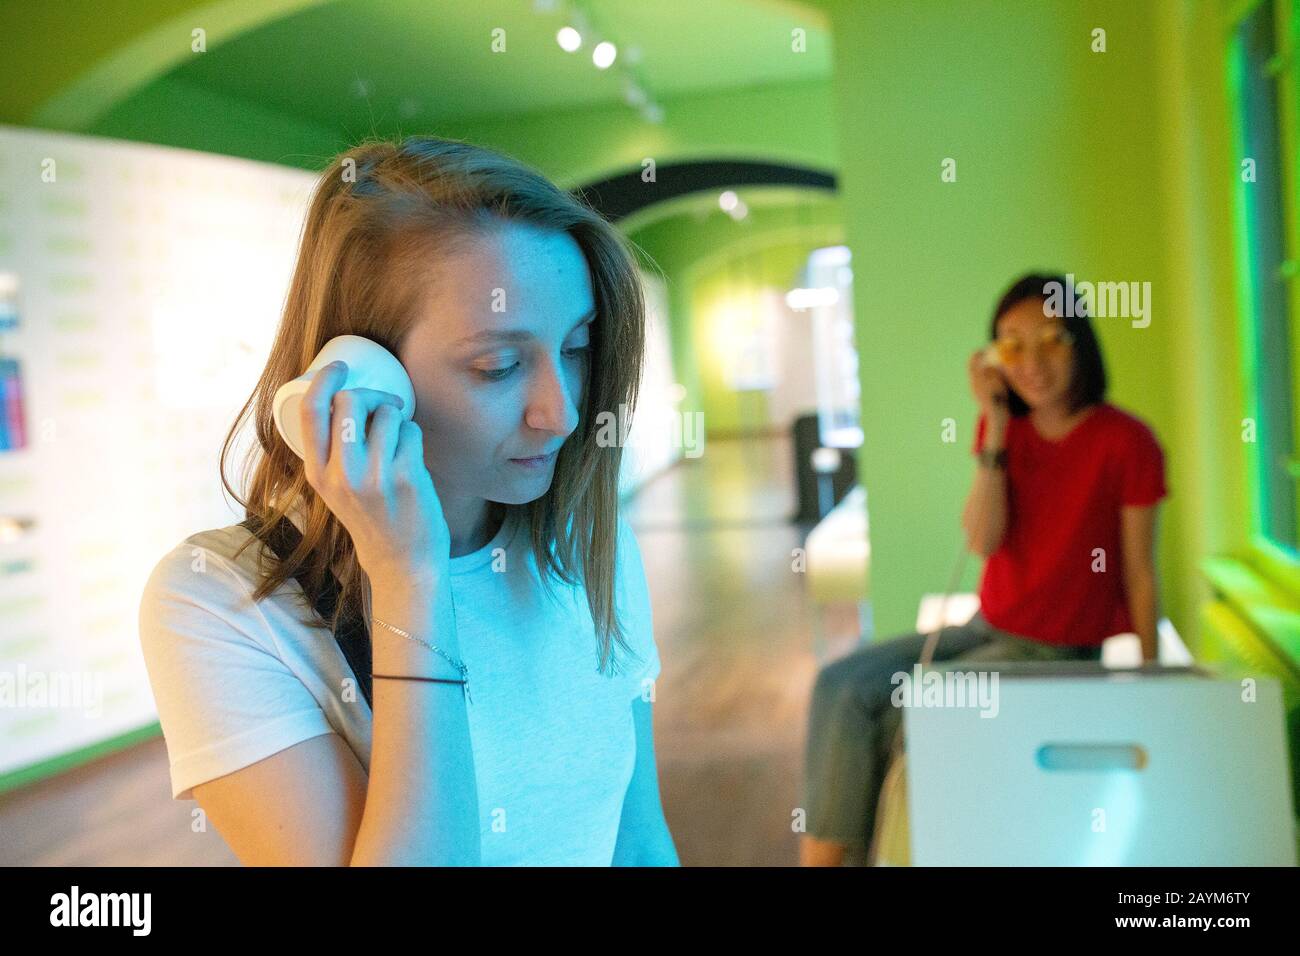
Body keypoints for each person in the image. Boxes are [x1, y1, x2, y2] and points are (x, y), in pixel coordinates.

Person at [138, 135, 678, 866]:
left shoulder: (583, 547)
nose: (563, 412)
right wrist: (409, 579)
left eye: (577, 347)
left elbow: (639, 841)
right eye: (499, 365)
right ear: (363, 377)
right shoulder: (218, 605)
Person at [799, 272, 1168, 866]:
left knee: (904, 714)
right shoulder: (1003, 430)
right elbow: (982, 539)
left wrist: (1150, 682)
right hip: (987, 627)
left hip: (1060, 649)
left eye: (1052, 339)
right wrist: (995, 424)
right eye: (1012, 343)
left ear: (1080, 342)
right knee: (839, 685)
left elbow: (1140, 572)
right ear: (994, 355)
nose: (1033, 361)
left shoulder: (1127, 442)